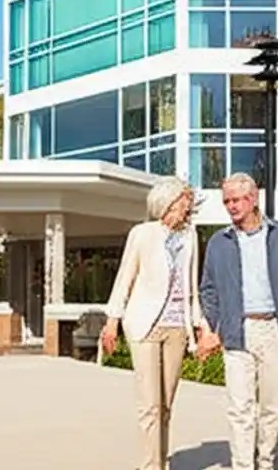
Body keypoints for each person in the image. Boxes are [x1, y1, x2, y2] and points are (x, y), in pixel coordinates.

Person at [196, 172, 278, 470]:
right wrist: (217, 324)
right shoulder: (218, 243)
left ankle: (266, 459)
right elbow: (207, 289)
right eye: (226, 201)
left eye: (236, 200)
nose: (231, 206)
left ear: (253, 198)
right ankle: (243, 465)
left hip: (273, 329)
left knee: (272, 405)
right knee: (239, 407)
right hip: (236, 331)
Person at [100, 176, 205, 470]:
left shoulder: (190, 236)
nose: (190, 205)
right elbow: (125, 278)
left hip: (176, 328)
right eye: (186, 198)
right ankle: (151, 466)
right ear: (170, 201)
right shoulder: (142, 233)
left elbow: (191, 284)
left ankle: (160, 461)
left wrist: (198, 323)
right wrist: (112, 322)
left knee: (166, 404)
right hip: (144, 325)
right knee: (149, 404)